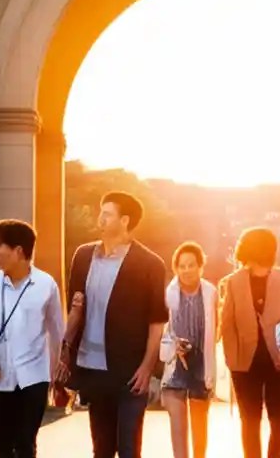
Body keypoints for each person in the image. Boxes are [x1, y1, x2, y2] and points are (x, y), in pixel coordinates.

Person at [58, 192, 169, 458]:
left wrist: (146, 368)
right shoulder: (83, 256)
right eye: (101, 212)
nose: (101, 218)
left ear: (125, 220)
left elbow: (157, 322)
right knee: (102, 449)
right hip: (92, 369)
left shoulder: (150, 264)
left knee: (130, 449)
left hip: (130, 372)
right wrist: (64, 352)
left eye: (107, 214)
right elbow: (76, 309)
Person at [0, 219, 65, 457]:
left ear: (19, 250)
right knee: (4, 446)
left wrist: (57, 372)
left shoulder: (45, 284)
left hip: (34, 377)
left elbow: (56, 330)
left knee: (25, 443)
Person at [219, 227, 280, 458]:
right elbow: (227, 323)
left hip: (278, 358)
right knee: (249, 419)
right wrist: (232, 357)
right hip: (244, 361)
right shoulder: (233, 282)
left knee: (279, 417)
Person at [160, 241, 218, 458]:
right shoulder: (168, 293)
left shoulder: (211, 292)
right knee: (178, 425)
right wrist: (174, 345)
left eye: (191, 265)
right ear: (175, 268)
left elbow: (216, 328)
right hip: (175, 362)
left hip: (200, 364)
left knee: (200, 424)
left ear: (201, 266)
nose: (186, 270)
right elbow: (161, 327)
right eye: (181, 266)